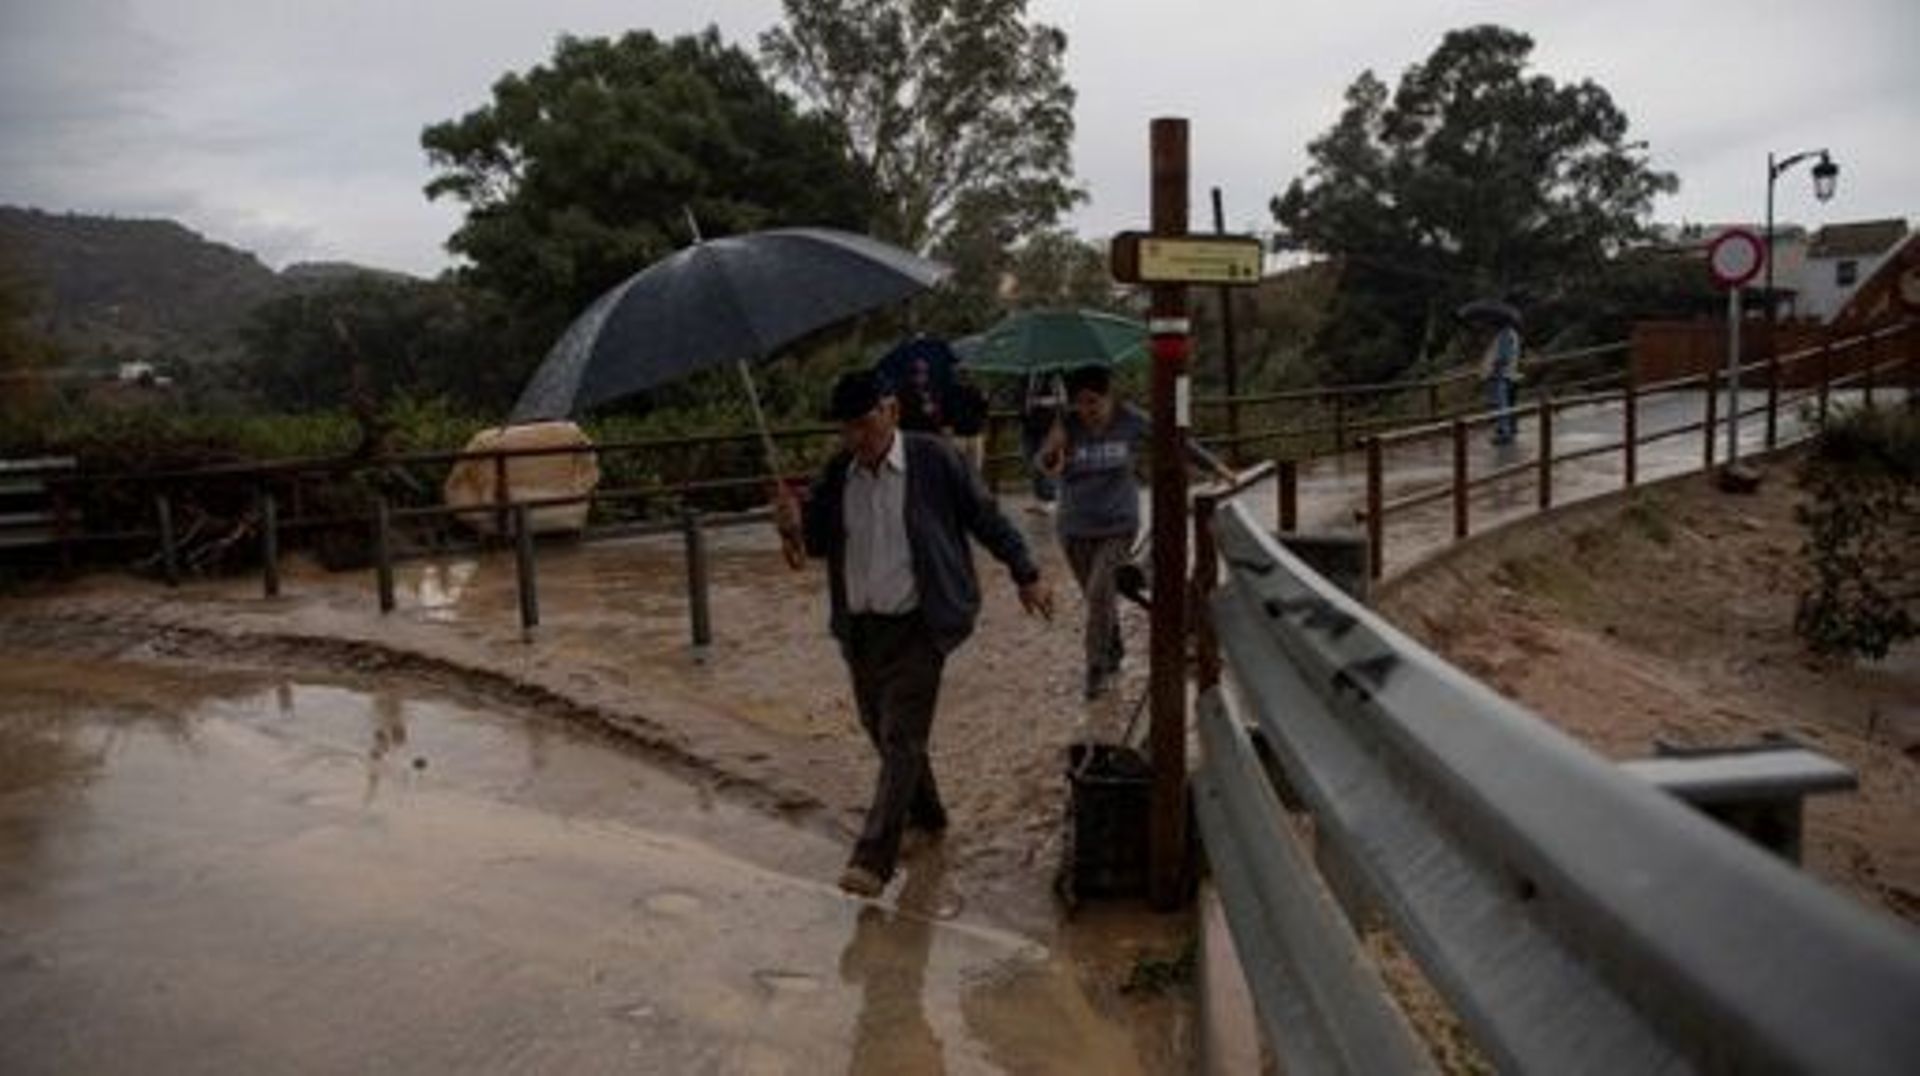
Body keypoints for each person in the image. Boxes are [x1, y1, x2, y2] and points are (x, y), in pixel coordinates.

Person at [773, 370, 1054, 898]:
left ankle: (873, 860)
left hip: (921, 621)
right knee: (880, 728)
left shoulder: (935, 460)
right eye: (847, 429)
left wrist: (1027, 573)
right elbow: (817, 546)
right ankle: (930, 815)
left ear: (892, 412)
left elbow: (985, 517)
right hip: (860, 626)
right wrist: (791, 523)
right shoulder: (838, 473)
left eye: (865, 423)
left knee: (901, 736)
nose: (858, 438)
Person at [1036, 364, 1148, 700]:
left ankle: (1095, 668)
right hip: (1075, 527)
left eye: (1093, 402)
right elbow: (1044, 467)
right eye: (1080, 404)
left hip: (1118, 523)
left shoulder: (1131, 420)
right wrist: (1053, 448)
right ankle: (1111, 644)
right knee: (1096, 598)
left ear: (1108, 397)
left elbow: (1176, 440)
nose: (1087, 411)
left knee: (1100, 593)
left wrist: (1216, 468)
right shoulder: (1066, 424)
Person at [1018, 373, 1063, 511]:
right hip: (1028, 425)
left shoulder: (1053, 377)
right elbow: (1021, 398)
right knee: (1029, 459)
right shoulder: (1024, 378)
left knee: (1046, 461)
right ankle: (1038, 498)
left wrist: (1040, 401)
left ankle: (1050, 499)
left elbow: (1062, 400)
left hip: (1047, 426)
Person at [1482, 321, 1523, 446]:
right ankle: (1510, 429)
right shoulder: (1513, 334)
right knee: (1510, 404)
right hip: (1511, 374)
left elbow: (1502, 357)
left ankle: (1505, 433)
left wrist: (1493, 368)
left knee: (1502, 405)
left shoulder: (1505, 334)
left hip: (1502, 375)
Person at [944, 369, 990, 474]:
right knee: (957, 466)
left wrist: (985, 400)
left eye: (967, 372)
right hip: (957, 433)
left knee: (976, 467)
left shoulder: (977, 391)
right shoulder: (951, 392)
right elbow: (945, 411)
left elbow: (983, 412)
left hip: (975, 433)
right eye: (962, 372)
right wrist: (947, 426)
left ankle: (973, 488)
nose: (965, 375)